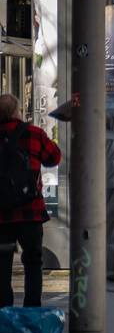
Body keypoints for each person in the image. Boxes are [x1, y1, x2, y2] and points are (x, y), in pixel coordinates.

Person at [0, 94, 62, 308]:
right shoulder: (34, 134)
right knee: (33, 263)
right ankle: (31, 311)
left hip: (2, 216)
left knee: (2, 266)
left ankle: (4, 318)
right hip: (30, 212)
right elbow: (55, 157)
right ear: (17, 111)